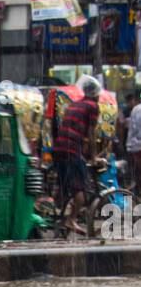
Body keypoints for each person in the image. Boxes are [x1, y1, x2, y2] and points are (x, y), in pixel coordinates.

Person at [52, 75, 100, 231]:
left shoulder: (74, 105)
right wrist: (93, 158)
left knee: (67, 185)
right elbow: (91, 133)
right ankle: (71, 220)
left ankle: (62, 215)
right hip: (70, 149)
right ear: (96, 94)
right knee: (81, 191)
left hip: (59, 148)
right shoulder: (92, 106)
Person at [125, 90, 141, 197]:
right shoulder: (137, 109)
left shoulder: (136, 109)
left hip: (134, 146)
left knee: (138, 171)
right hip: (138, 145)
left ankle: (137, 192)